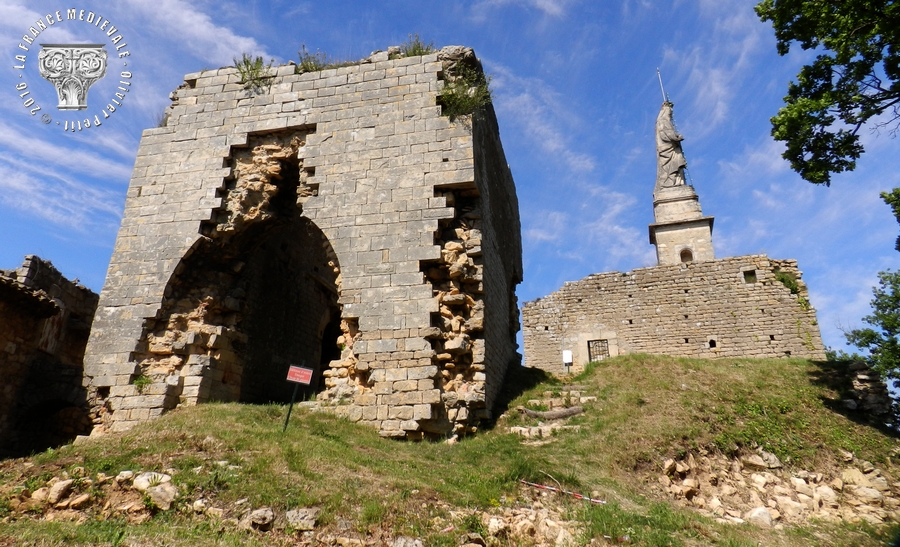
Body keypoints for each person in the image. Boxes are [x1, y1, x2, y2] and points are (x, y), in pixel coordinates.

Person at [656, 101, 687, 188]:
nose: (670, 114)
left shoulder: (663, 121)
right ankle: (671, 182)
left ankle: (677, 182)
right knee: (674, 164)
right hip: (668, 148)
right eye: (669, 112)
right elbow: (666, 134)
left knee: (676, 164)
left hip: (670, 147)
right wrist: (676, 138)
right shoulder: (663, 121)